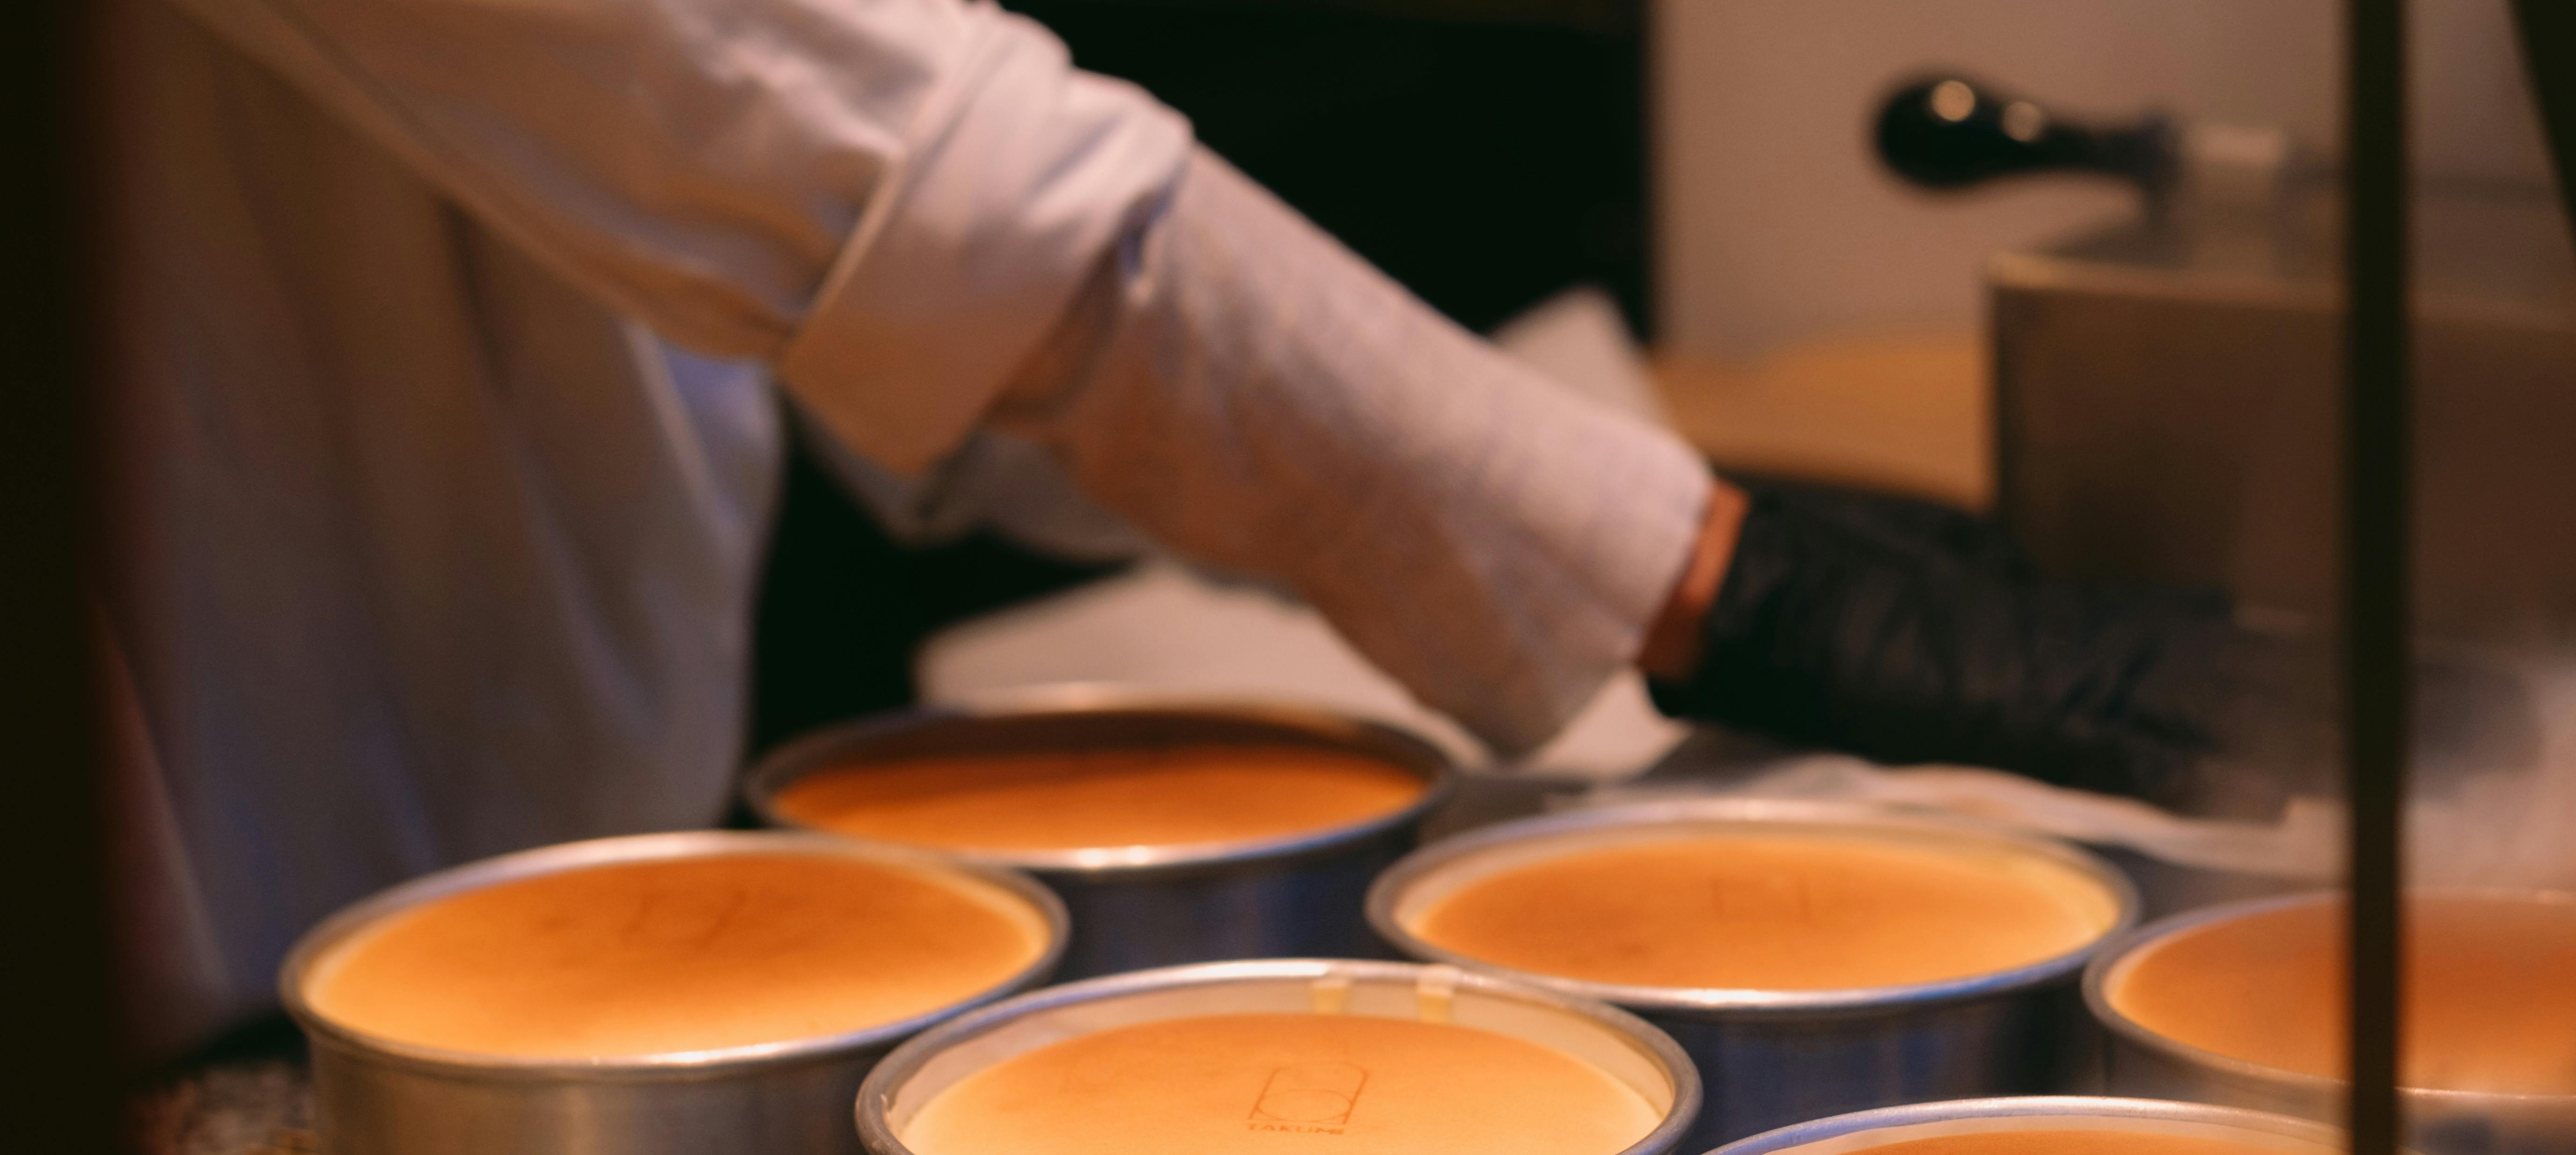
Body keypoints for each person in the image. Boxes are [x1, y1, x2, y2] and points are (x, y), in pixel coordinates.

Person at [106, 0, 2389, 1056]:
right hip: (216, 971)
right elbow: (918, 194)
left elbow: (857, 285)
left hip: (581, 882)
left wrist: (1644, 523)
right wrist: (1729, 582)